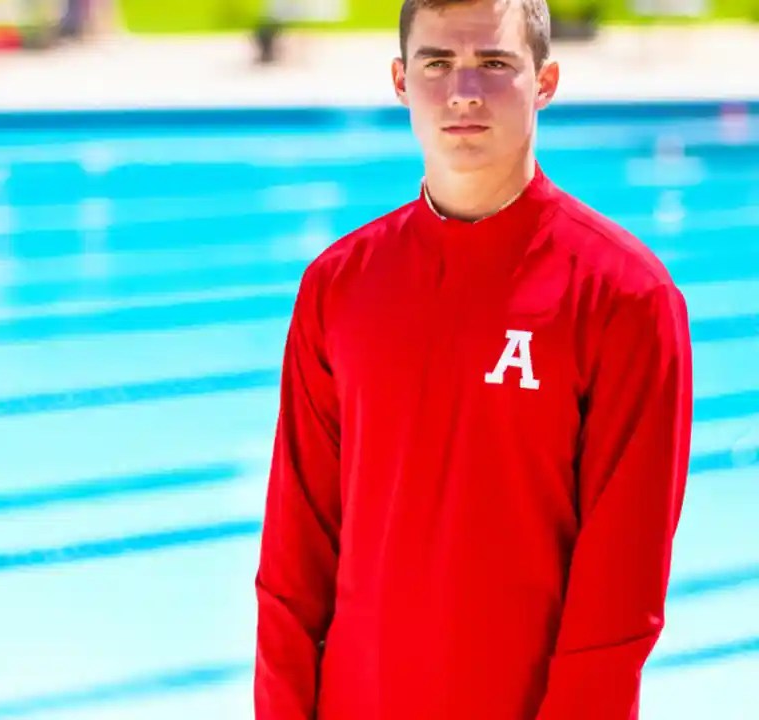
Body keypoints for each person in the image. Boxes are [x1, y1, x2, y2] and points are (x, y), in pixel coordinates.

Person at [252, 1, 694, 718]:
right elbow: (295, 555)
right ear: (400, 80)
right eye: (436, 64)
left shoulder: (626, 298)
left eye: (494, 64)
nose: (463, 91)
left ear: (544, 80)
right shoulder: (338, 285)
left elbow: (621, 595)